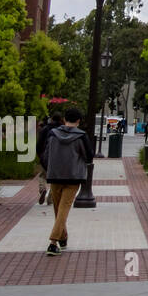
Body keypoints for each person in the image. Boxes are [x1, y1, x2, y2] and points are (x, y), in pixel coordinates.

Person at [40, 107, 93, 256]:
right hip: (73, 177)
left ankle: (63, 238)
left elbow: (45, 155)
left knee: (58, 209)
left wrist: (50, 168)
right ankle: (53, 242)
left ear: (64, 119)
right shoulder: (81, 136)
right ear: (78, 121)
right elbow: (89, 157)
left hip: (55, 176)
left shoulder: (52, 134)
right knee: (63, 209)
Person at [36, 112, 62, 205]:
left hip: (45, 157)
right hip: (58, 158)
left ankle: (42, 189)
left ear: (51, 119)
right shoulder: (62, 130)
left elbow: (39, 144)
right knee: (54, 179)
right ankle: (50, 199)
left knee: (42, 175)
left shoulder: (45, 129)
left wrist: (40, 155)